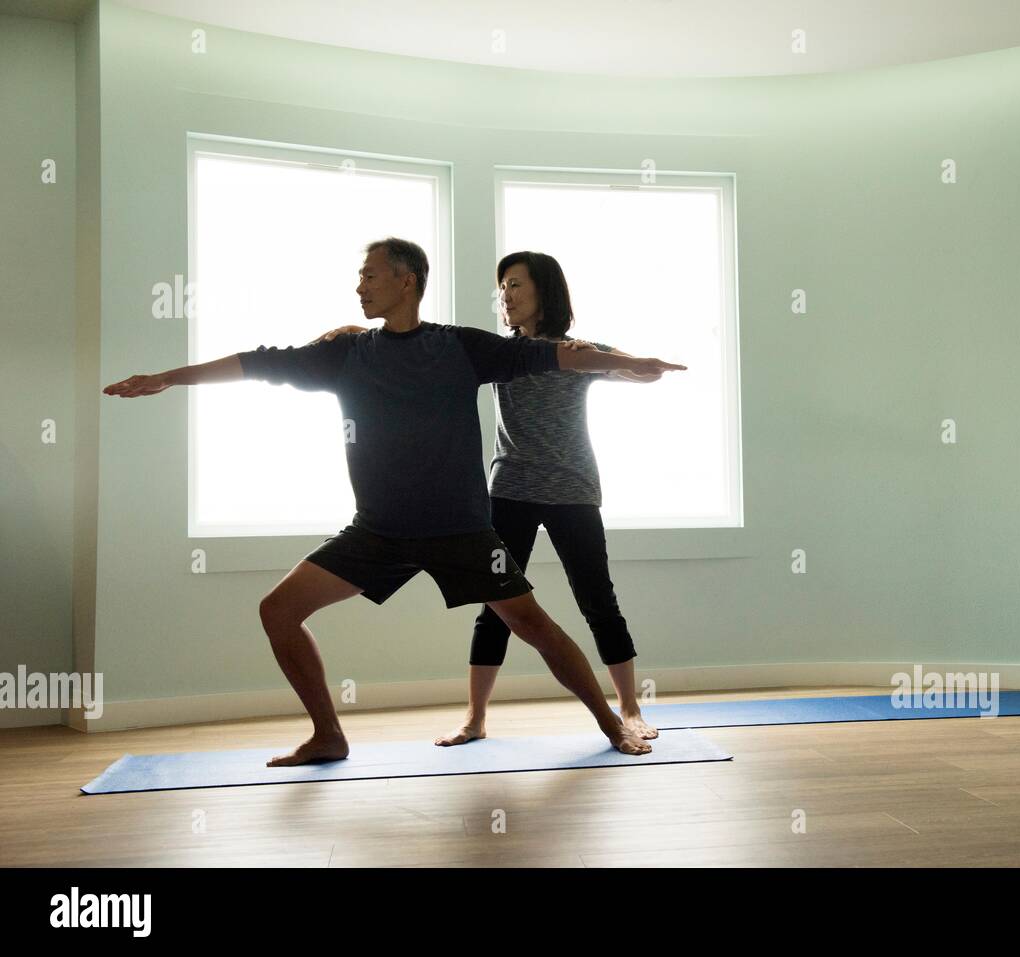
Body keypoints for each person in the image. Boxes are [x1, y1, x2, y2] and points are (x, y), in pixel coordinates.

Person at [102, 238, 686, 766]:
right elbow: (259, 363)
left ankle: (613, 723)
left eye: (370, 275)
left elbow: (553, 354)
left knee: (533, 624)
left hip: (461, 531)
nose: (360, 286)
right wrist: (170, 377)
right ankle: (328, 734)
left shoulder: (459, 347)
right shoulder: (345, 354)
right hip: (377, 532)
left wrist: (629, 363)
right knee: (277, 610)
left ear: (406, 281)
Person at [316, 251, 663, 747]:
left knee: (597, 599)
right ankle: (475, 718)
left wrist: (624, 360)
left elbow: (640, 373)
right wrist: (358, 331)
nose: (506, 295)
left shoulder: (577, 351)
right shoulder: (496, 352)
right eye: (502, 287)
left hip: (572, 491)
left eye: (516, 285)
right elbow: (418, 340)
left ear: (545, 290)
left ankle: (629, 708)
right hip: (510, 493)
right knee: (496, 608)